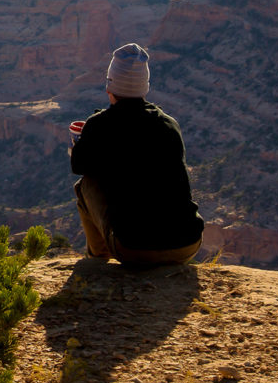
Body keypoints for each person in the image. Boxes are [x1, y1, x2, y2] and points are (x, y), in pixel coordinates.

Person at [70, 43, 204, 266]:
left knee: (84, 185)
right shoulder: (169, 124)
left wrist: (79, 144)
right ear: (144, 87)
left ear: (109, 87)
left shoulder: (100, 125)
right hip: (187, 244)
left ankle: (98, 260)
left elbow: (79, 166)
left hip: (135, 249)